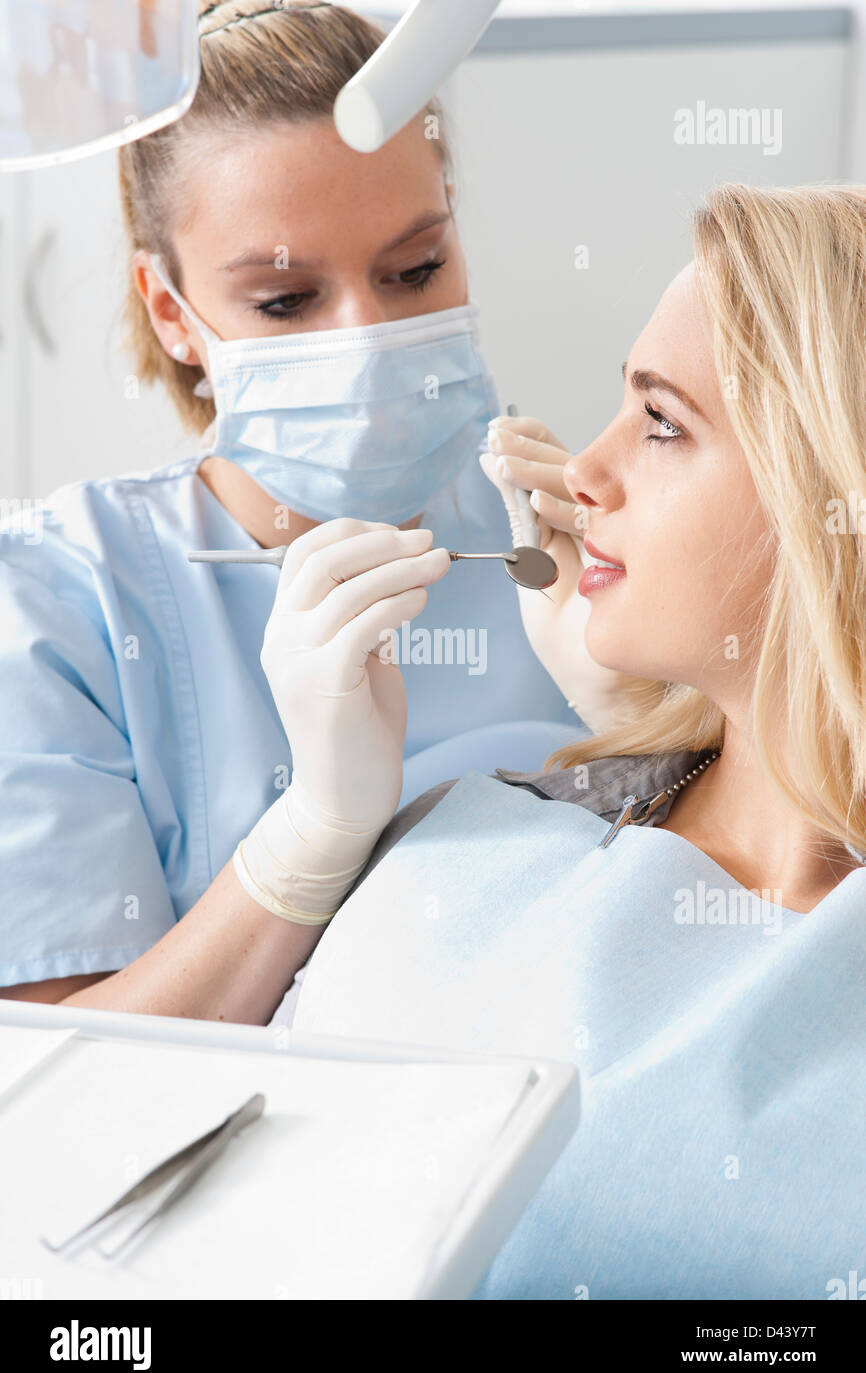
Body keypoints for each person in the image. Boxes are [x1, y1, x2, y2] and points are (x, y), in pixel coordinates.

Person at [257, 183, 864, 1298]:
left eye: (661, 422)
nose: (581, 472)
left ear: (831, 497)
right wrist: (310, 833)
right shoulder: (469, 839)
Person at [0, 1, 602, 1005]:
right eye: (285, 301)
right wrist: (307, 844)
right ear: (172, 312)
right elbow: (51, 1095)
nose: (369, 337)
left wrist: (661, 716)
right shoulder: (62, 602)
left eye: (415, 270)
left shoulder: (559, 542)